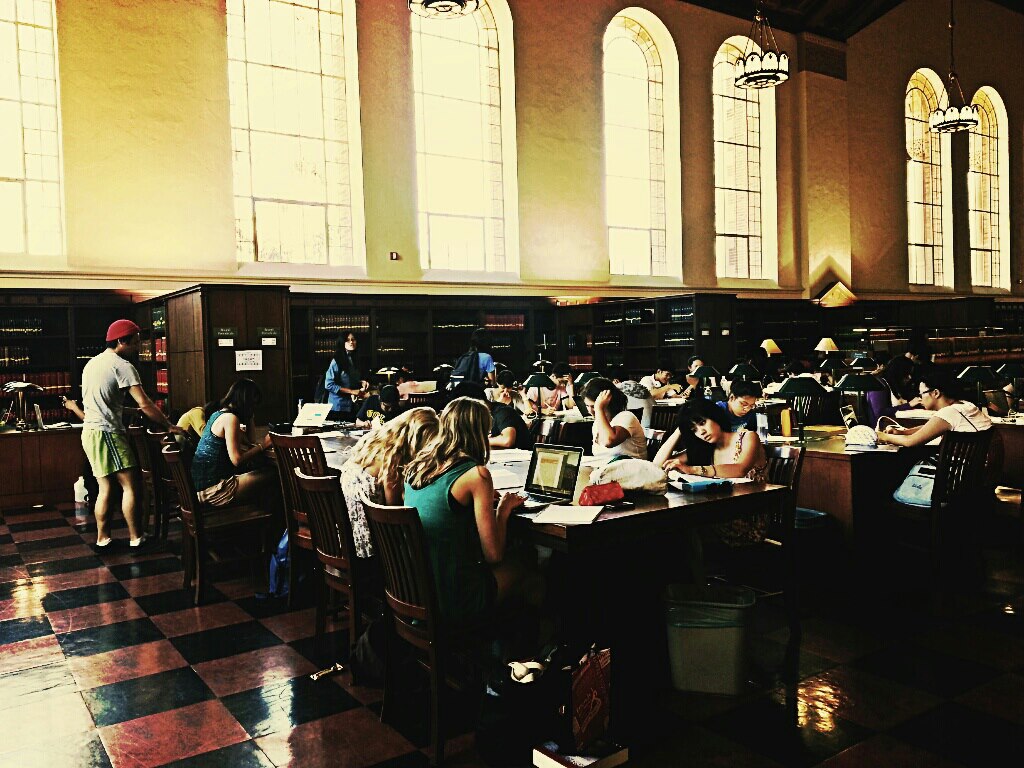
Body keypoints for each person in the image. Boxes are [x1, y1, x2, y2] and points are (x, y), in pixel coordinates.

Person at [404, 397, 538, 622]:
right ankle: (519, 642)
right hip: (456, 597)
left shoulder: (416, 467)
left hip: (418, 592)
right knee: (529, 566)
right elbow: (493, 555)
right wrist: (503, 510)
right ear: (480, 432)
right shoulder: (476, 475)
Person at [80, 319, 184, 550]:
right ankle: (137, 538)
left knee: (106, 487)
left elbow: (101, 403)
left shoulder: (92, 364)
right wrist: (168, 425)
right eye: (135, 343)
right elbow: (145, 403)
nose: (138, 348)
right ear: (121, 341)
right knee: (131, 485)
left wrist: (128, 411)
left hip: (91, 432)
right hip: (108, 433)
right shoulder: (122, 366)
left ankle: (103, 539)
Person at [654, 397, 768, 545]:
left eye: (702, 423)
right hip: (717, 514)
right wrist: (681, 429)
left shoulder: (748, 437)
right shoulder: (705, 449)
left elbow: (740, 469)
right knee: (673, 527)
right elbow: (658, 465)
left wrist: (694, 470)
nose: (701, 432)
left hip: (748, 518)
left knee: (683, 529)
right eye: (694, 430)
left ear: (715, 416)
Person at [340, 407, 439, 559]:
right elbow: (394, 510)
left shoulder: (373, 441)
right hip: (375, 547)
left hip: (348, 536)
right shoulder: (393, 459)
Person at [191, 379, 280, 509]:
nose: (253, 409)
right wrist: (264, 445)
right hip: (214, 490)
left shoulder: (218, 414)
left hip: (202, 487)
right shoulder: (230, 419)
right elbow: (237, 460)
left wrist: (250, 416)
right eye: (253, 405)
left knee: (261, 473)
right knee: (275, 474)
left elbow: (251, 440)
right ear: (246, 402)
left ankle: (260, 516)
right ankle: (265, 519)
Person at [876, 367, 991, 447]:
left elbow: (910, 442)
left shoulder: (949, 413)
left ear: (936, 393)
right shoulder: (966, 405)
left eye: (921, 394)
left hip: (959, 471)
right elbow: (930, 428)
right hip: (978, 468)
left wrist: (881, 436)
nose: (920, 398)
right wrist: (901, 432)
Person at [582, 377, 646, 460]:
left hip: (632, 466)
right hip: (607, 467)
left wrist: (599, 409)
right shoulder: (597, 423)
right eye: (587, 406)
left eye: (594, 406)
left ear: (608, 401)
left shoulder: (626, 416)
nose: (590, 411)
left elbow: (609, 441)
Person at [325, 330, 369, 420]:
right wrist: (351, 391)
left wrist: (361, 382)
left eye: (353, 339)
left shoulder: (354, 358)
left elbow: (348, 379)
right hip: (338, 407)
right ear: (342, 343)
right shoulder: (336, 360)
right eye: (347, 340)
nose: (351, 342)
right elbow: (328, 385)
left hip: (352, 405)